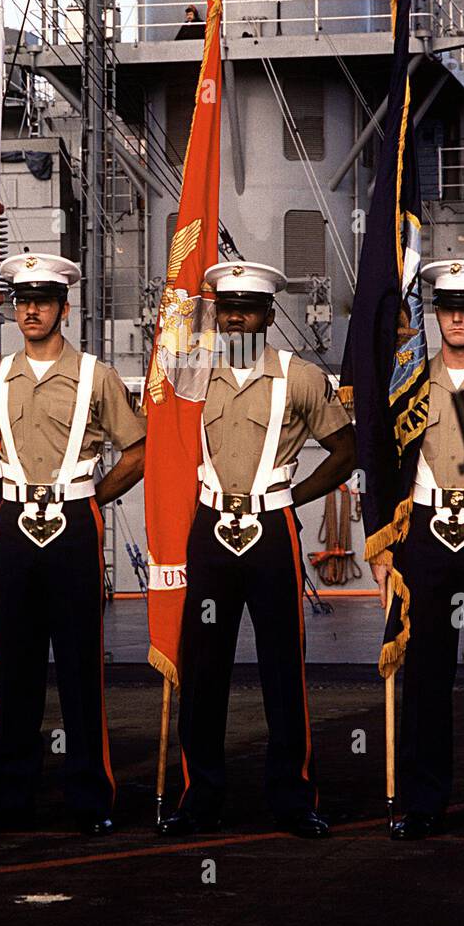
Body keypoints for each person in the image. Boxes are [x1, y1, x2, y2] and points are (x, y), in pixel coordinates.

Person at [159, 261, 357, 840]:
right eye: (226, 306)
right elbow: (164, 434)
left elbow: (345, 450)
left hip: (272, 532)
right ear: (216, 313)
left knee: (282, 667)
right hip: (210, 530)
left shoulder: (301, 378)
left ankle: (293, 799)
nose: (236, 314)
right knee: (202, 668)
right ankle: (200, 797)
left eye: (248, 305)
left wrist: (294, 498)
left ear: (270, 315)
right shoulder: (190, 377)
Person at [0, 253, 146, 836]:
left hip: (74, 525)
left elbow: (138, 450)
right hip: (12, 525)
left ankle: (91, 797)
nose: (32, 309)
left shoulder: (96, 376)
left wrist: (94, 498)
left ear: (64, 307)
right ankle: (12, 799)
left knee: (79, 667)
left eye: (43, 299)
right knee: (15, 669)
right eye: (22, 300)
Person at [374, 261, 464, 842]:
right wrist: (383, 545)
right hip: (426, 529)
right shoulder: (410, 382)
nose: (456, 315)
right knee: (426, 671)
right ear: (433, 312)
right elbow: (385, 464)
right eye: (446, 304)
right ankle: (424, 801)